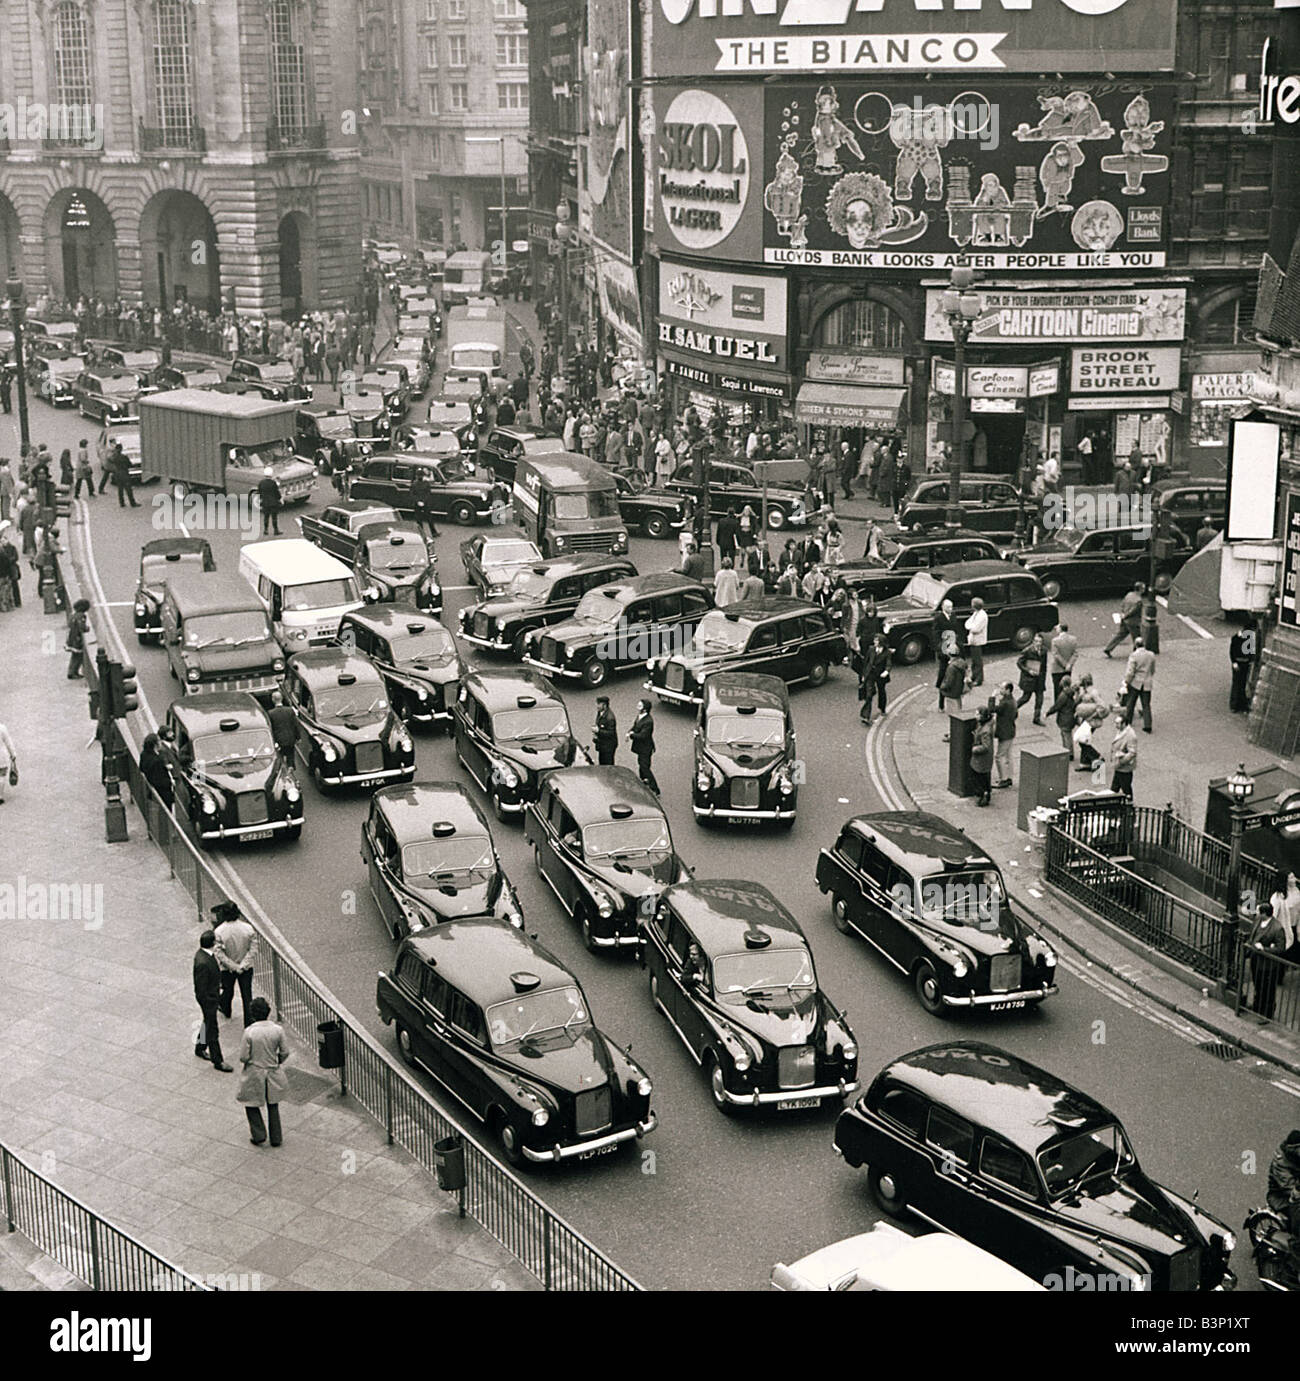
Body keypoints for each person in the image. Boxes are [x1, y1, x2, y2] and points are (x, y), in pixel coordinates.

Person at [237, 997, 290, 1147]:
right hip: (272, 1071)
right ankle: (276, 1137)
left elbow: (243, 1057)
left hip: (255, 1071)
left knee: (251, 1102)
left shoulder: (249, 1033)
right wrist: (277, 1061)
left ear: (253, 1014)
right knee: (273, 1104)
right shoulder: (277, 1030)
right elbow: (285, 1052)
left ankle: (259, 1134)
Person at [212, 900, 257, 1026]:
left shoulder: (219, 931)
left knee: (227, 990)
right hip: (246, 968)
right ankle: (248, 1023)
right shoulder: (248, 928)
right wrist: (242, 965)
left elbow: (219, 953)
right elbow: (253, 950)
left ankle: (226, 1008)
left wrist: (233, 966)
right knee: (247, 995)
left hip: (228, 968)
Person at [193, 930, 232, 1071]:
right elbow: (201, 989)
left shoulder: (204, 955)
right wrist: (210, 1002)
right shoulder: (203, 963)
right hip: (209, 1000)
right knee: (213, 1031)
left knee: (207, 1023)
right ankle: (218, 1061)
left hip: (211, 997)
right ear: (212, 943)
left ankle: (200, 1046)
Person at [1248, 902, 1289, 1021]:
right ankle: (1257, 1007)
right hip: (1256, 959)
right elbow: (1253, 935)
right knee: (1258, 985)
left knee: (1268, 989)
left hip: (1268, 965)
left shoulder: (1277, 928)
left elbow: (1281, 948)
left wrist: (1265, 949)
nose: (1256, 913)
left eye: (1258, 911)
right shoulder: (1258, 921)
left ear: (1264, 914)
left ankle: (1267, 1014)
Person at [1267, 1129, 1300, 1235]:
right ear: (1294, 1149)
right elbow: (1288, 1187)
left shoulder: (1295, 1156)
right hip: (1282, 1197)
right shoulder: (1280, 1164)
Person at [1122, 637, 1156, 732]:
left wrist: (1126, 681)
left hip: (1135, 683)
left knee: (1131, 703)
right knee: (1146, 705)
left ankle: (1127, 722)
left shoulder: (1133, 656)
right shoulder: (1151, 655)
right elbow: (1152, 669)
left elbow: (1130, 672)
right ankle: (1148, 725)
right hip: (1147, 682)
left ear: (1135, 645)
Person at [933, 597, 961, 711]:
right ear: (943, 607)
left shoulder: (953, 616)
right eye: (948, 607)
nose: (951, 609)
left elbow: (956, 630)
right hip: (944, 649)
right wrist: (940, 647)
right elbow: (935, 633)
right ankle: (941, 704)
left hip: (953, 647)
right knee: (944, 675)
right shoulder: (938, 618)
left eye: (951, 606)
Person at [1103, 582, 1145, 656]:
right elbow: (1133, 611)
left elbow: (1123, 604)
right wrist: (1126, 615)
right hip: (1133, 622)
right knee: (1137, 637)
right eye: (1143, 588)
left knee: (1120, 635)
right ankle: (1136, 653)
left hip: (1124, 620)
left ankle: (1108, 648)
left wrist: (1123, 614)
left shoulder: (1129, 595)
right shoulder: (1139, 601)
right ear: (1141, 589)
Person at [858, 633, 891, 725]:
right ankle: (865, 716)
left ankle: (882, 708)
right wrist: (864, 675)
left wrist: (886, 671)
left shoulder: (887, 652)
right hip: (871, 674)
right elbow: (866, 663)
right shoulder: (871, 649)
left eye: (876, 640)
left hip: (880, 675)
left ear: (881, 642)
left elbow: (888, 663)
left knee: (882, 691)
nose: (874, 642)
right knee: (869, 695)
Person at [1045, 675, 1080, 761]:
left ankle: (1068, 753)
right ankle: (1068, 751)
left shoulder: (1063, 695)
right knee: (1067, 735)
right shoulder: (1072, 692)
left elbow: (1057, 706)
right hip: (1071, 717)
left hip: (1064, 718)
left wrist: (1048, 713)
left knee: (1066, 735)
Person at [1015, 633, 1047, 724]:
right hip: (1029, 679)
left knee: (1040, 699)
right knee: (1026, 697)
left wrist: (1043, 677)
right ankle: (1013, 709)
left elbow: (1044, 665)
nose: (1038, 643)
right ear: (1033, 642)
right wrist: (1028, 670)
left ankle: (1036, 718)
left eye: (1040, 641)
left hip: (1039, 678)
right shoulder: (1027, 651)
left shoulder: (1044, 651)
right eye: (1036, 641)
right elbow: (1019, 663)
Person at [629, 699, 659, 793]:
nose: (638, 706)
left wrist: (631, 735)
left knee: (645, 767)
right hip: (641, 747)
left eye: (640, 705)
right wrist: (630, 731)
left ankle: (655, 789)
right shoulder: (640, 716)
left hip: (646, 748)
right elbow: (635, 726)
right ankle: (644, 781)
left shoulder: (648, 721)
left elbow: (643, 735)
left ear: (645, 710)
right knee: (641, 765)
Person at [992, 682, 1017, 788]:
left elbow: (992, 709)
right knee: (1008, 756)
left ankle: (1003, 779)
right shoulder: (1012, 701)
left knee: (999, 756)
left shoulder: (1005, 703)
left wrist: (992, 697)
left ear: (1008, 690)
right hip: (1010, 730)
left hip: (1004, 732)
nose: (1000, 690)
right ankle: (1009, 777)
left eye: (1002, 688)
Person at [139, 732, 173, 808]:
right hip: (163, 793)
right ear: (155, 744)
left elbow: (141, 768)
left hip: (152, 790)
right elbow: (161, 780)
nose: (161, 742)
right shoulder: (158, 760)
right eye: (159, 741)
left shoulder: (144, 754)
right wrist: (171, 782)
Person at [939, 649, 967, 740]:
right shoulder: (961, 663)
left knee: (953, 716)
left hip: (951, 693)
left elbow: (948, 682)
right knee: (957, 712)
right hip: (957, 691)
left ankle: (953, 735)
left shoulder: (951, 667)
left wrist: (942, 687)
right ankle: (953, 733)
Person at [970, 706, 995, 806]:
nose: (975, 716)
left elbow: (986, 746)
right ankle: (986, 794)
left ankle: (982, 796)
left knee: (979, 778)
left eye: (977, 714)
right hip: (984, 759)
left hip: (981, 759)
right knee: (984, 778)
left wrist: (975, 749)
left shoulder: (985, 730)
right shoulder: (985, 725)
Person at [1109, 712, 1137, 797]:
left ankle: (1129, 806)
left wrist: (1121, 761)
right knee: (1114, 789)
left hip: (1124, 768)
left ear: (1124, 724)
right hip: (1119, 767)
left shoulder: (1130, 735)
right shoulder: (1121, 731)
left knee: (1126, 789)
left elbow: (1132, 753)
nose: (1115, 725)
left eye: (1117, 723)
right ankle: (1113, 805)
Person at [1229, 623, 1255, 713]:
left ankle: (1237, 705)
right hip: (1241, 662)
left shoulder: (1238, 637)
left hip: (1243, 663)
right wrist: (1234, 662)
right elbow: (1233, 651)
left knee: (1241, 684)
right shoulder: (1238, 638)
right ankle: (1236, 705)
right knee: (1238, 683)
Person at [1048, 623, 1078, 703]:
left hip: (1057, 668)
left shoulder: (1055, 640)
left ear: (1060, 629)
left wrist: (1064, 664)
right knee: (1067, 687)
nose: (1056, 629)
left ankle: (1058, 705)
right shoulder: (1073, 639)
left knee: (1057, 689)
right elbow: (1075, 654)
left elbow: (1056, 654)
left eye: (1057, 628)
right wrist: (1069, 664)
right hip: (1068, 669)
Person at [964, 597, 988, 688]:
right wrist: (970, 626)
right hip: (973, 640)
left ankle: (979, 679)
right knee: (974, 660)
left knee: (977, 661)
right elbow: (967, 623)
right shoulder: (976, 613)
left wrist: (970, 627)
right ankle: (974, 676)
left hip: (977, 640)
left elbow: (975, 629)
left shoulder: (982, 616)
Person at [267, 688, 298, 759]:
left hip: (279, 740)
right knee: (290, 755)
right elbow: (295, 725)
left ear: (273, 700)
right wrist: (298, 737)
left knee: (280, 757)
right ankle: (291, 766)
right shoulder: (289, 710)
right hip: (290, 738)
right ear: (282, 698)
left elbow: (271, 728)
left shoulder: (270, 713)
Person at [409, 471, 440, 539]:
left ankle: (421, 533)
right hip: (425, 503)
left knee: (419, 519)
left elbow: (412, 495)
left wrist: (418, 501)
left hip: (417, 504)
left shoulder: (414, 484)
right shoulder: (426, 484)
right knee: (429, 518)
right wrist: (423, 501)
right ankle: (434, 532)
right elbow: (428, 494)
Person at [65, 596, 90, 679]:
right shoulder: (82, 616)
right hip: (77, 639)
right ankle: (73, 672)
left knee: (74, 656)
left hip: (71, 638)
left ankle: (71, 671)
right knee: (78, 657)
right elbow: (81, 627)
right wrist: (87, 629)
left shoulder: (73, 615)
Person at [256, 470, 283, 536]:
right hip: (273, 502)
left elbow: (259, 492)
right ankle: (276, 530)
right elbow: (276, 492)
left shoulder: (261, 483)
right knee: (274, 517)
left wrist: (261, 499)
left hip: (265, 502)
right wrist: (280, 499)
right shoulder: (273, 483)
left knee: (266, 517)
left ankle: (266, 530)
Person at [593, 696, 617, 766]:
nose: (597, 706)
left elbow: (611, 733)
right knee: (602, 763)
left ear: (604, 705)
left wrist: (598, 731)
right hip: (602, 744)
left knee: (608, 765)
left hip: (608, 746)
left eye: (598, 704)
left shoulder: (610, 718)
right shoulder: (600, 712)